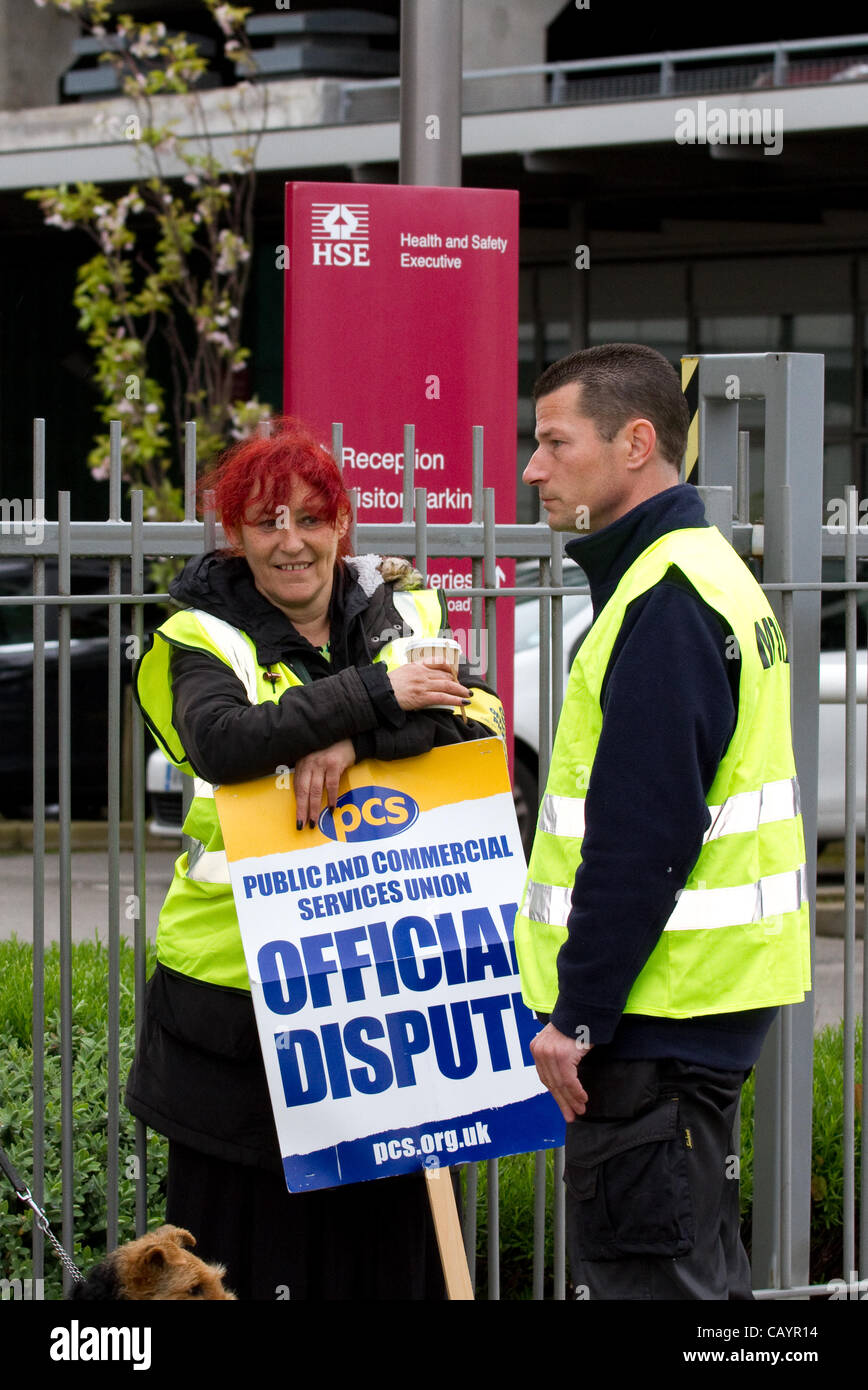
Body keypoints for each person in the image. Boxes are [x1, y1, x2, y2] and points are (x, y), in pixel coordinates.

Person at [127, 417, 504, 1301]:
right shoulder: (197, 636)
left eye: (309, 517)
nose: (290, 540)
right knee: (242, 1272)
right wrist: (374, 696)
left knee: (382, 1266)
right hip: (238, 1020)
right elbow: (225, 743)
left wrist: (344, 737)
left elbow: (471, 721)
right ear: (237, 536)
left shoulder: (407, 608)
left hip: (390, 1008)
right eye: (266, 521)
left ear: (343, 525)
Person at [514, 343, 811, 1300]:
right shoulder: (698, 573)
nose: (533, 468)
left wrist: (580, 1014)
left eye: (556, 442)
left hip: (655, 1017)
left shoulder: (668, 596)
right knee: (695, 1279)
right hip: (691, 1010)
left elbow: (643, 836)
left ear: (637, 442)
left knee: (659, 1284)